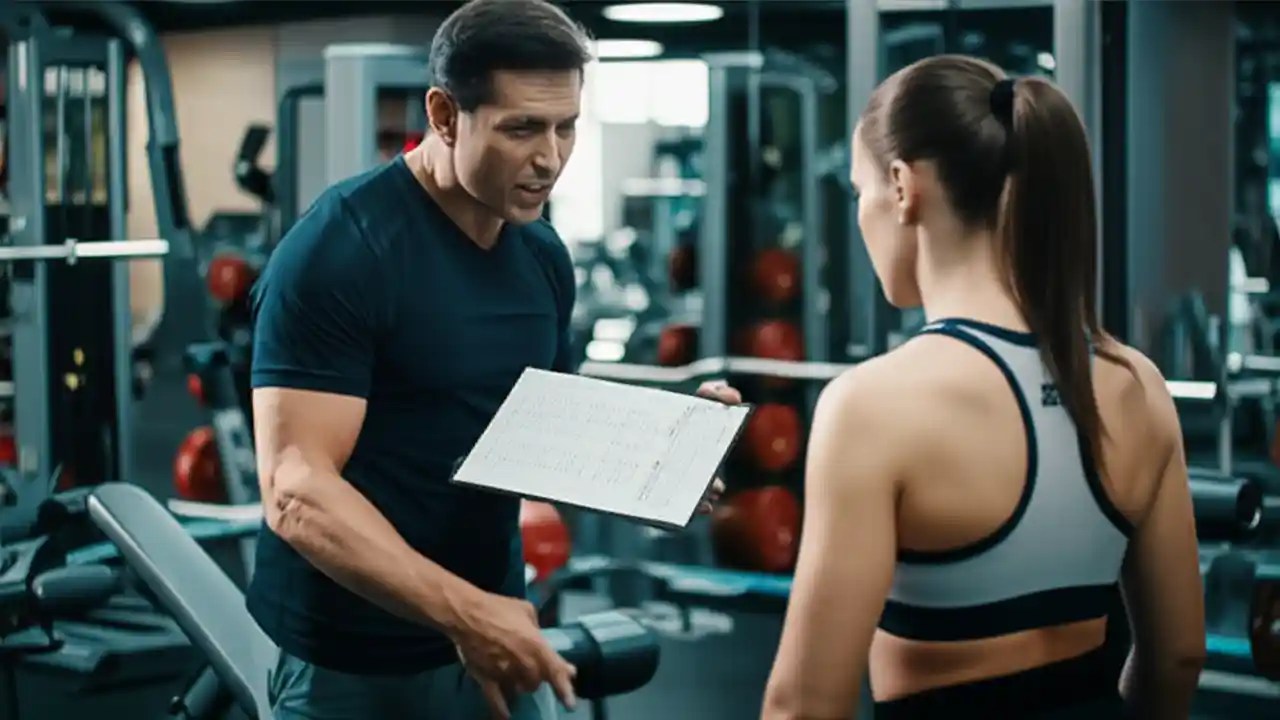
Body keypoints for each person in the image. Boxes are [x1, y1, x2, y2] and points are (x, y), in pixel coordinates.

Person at [247, 1, 735, 718]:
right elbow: (295, 489)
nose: (551, 157)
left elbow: (536, 432)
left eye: (567, 126)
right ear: (444, 115)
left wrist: (658, 467)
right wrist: (465, 613)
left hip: (496, 631)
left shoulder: (540, 254)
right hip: (353, 659)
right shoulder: (340, 252)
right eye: (521, 128)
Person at [760, 55, 1206, 719]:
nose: (861, 219)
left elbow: (805, 707)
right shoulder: (1133, 382)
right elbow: (1178, 656)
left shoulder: (875, 406)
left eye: (859, 192)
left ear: (902, 186)